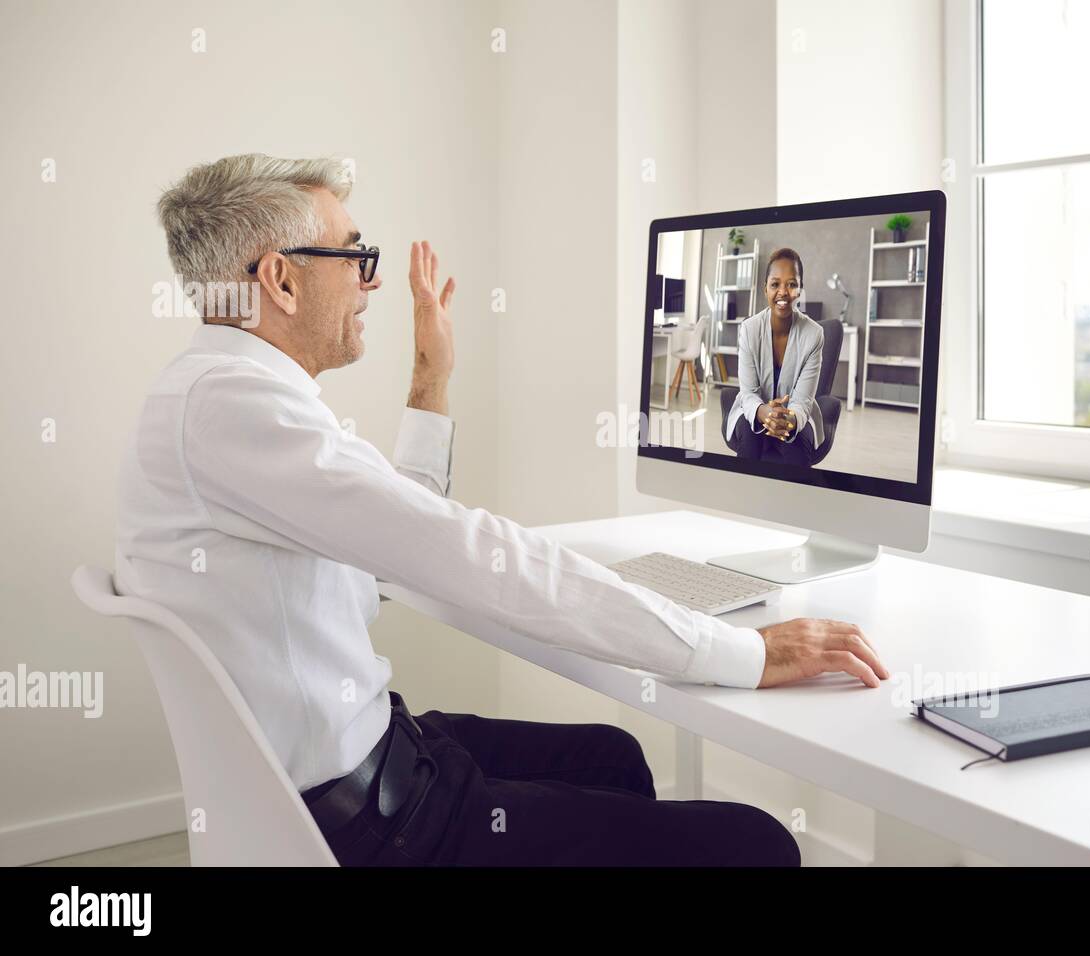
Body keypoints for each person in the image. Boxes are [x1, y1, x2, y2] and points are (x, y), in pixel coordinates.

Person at [116, 154, 889, 866]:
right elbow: (461, 551)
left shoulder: (227, 396)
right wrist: (745, 654)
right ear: (281, 280)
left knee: (613, 756)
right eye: (354, 255)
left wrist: (431, 372)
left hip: (367, 763)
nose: (370, 280)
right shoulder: (239, 411)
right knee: (755, 846)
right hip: (377, 826)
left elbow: (389, 545)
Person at [724, 247, 825, 467]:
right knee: (749, 441)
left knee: (797, 452)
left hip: (795, 415)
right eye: (775, 284)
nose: (783, 292)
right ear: (765, 289)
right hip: (754, 408)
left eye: (792, 284)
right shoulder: (749, 329)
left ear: (800, 290)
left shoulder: (814, 334)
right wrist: (765, 413)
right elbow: (749, 393)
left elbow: (803, 401)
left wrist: (788, 420)